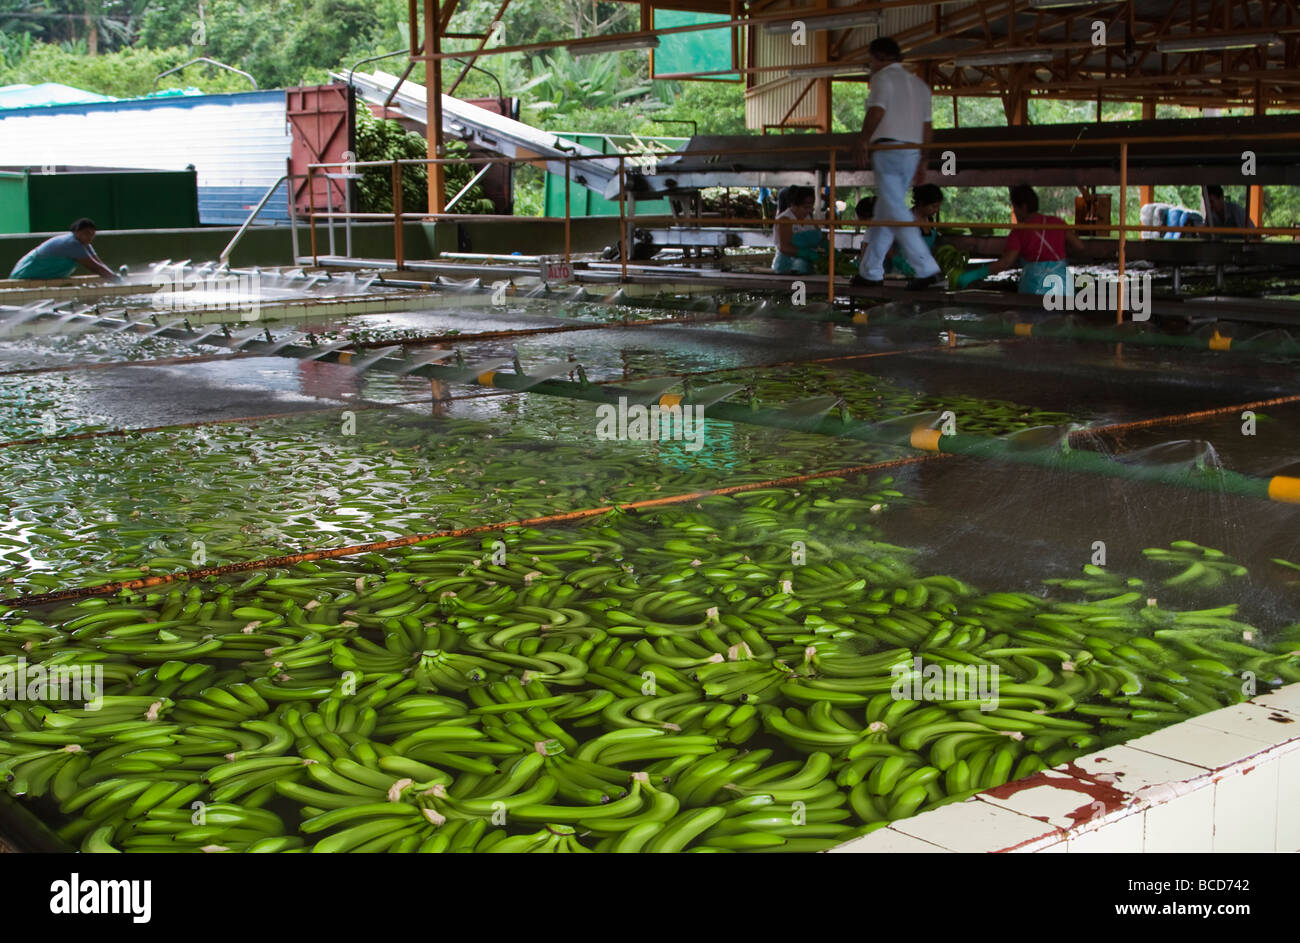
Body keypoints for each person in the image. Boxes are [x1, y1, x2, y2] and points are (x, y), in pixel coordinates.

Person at [851, 36, 942, 290]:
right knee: (886, 212)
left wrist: (862, 139)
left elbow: (877, 110)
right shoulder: (920, 86)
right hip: (911, 152)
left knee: (895, 210)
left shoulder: (882, 78)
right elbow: (927, 126)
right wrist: (923, 159)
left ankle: (927, 269)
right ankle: (870, 271)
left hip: (888, 149)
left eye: (870, 60)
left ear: (878, 57)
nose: (870, 66)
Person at [956, 184, 1085, 294]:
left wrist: (974, 274)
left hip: (1035, 286)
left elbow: (1006, 262)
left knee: (1033, 320)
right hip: (1062, 285)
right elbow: (1079, 246)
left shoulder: (1020, 231)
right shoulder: (1056, 223)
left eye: (1014, 207)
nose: (1014, 212)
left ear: (1023, 207)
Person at [8, 218, 118, 281]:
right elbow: (95, 268)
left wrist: (114, 276)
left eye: (92, 234)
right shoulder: (71, 244)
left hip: (41, 276)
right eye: (86, 233)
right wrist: (117, 281)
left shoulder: (84, 245)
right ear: (76, 232)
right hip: (26, 273)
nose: (89, 237)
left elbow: (98, 263)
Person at [889, 184, 944, 277]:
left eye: (938, 207)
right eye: (934, 206)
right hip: (900, 274)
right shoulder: (903, 220)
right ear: (922, 203)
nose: (936, 210)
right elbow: (886, 245)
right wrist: (898, 262)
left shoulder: (930, 222)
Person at [771, 185, 826, 274]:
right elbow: (783, 246)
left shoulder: (809, 217)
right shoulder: (784, 220)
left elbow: (819, 237)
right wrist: (805, 253)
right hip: (787, 267)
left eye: (810, 207)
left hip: (807, 267)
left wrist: (826, 245)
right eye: (805, 207)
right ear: (794, 205)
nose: (808, 211)